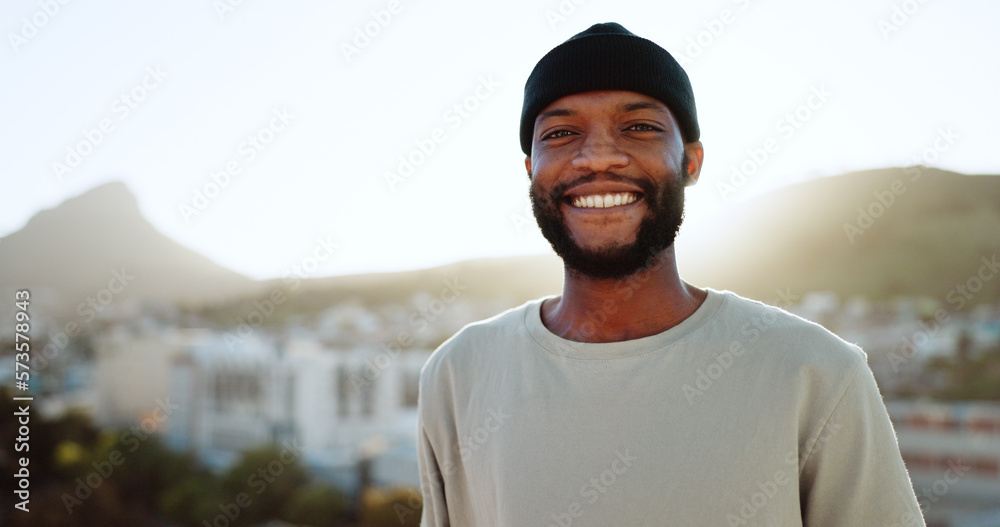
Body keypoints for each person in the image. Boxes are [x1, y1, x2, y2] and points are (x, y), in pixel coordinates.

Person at [417, 22, 924, 527]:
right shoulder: (459, 374)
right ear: (531, 169)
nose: (598, 156)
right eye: (561, 133)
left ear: (691, 162)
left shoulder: (816, 373)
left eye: (639, 127)